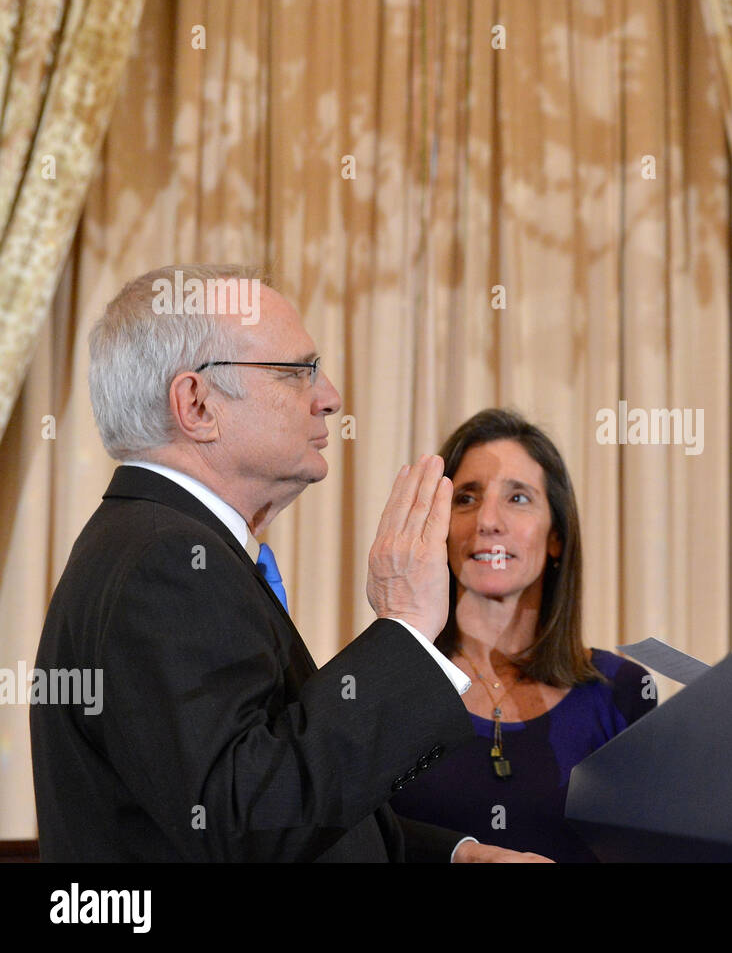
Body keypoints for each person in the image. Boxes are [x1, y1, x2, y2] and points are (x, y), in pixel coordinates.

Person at [30, 264, 545, 862]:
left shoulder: (160, 542)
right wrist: (404, 625)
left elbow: (278, 791)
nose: (329, 398)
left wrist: (458, 856)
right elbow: (250, 823)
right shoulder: (165, 562)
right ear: (197, 404)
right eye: (298, 372)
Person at [389, 409, 655, 862]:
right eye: (467, 498)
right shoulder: (387, 687)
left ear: (556, 537)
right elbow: (346, 838)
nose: (488, 521)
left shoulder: (623, 693)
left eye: (518, 499)